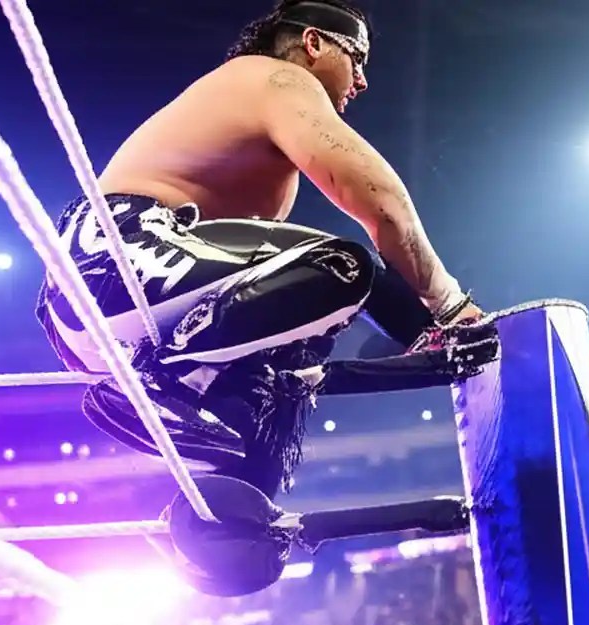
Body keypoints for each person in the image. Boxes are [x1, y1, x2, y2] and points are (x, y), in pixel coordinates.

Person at [38, 0, 493, 498]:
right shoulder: (276, 79)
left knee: (283, 374)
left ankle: (234, 512)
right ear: (314, 43)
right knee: (340, 266)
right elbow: (381, 202)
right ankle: (167, 387)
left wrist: (418, 335)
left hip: (117, 299)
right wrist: (449, 305)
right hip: (117, 256)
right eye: (356, 57)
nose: (362, 80)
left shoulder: (249, 127)